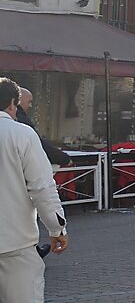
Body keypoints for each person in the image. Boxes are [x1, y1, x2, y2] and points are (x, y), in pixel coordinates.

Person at [0, 77, 68, 303]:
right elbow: (42, 188)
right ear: (13, 103)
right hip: (15, 241)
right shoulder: (22, 134)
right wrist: (57, 229)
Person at [15, 86, 71, 167]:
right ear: (19, 101)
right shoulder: (21, 119)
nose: (30, 106)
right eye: (29, 102)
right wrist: (63, 158)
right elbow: (38, 144)